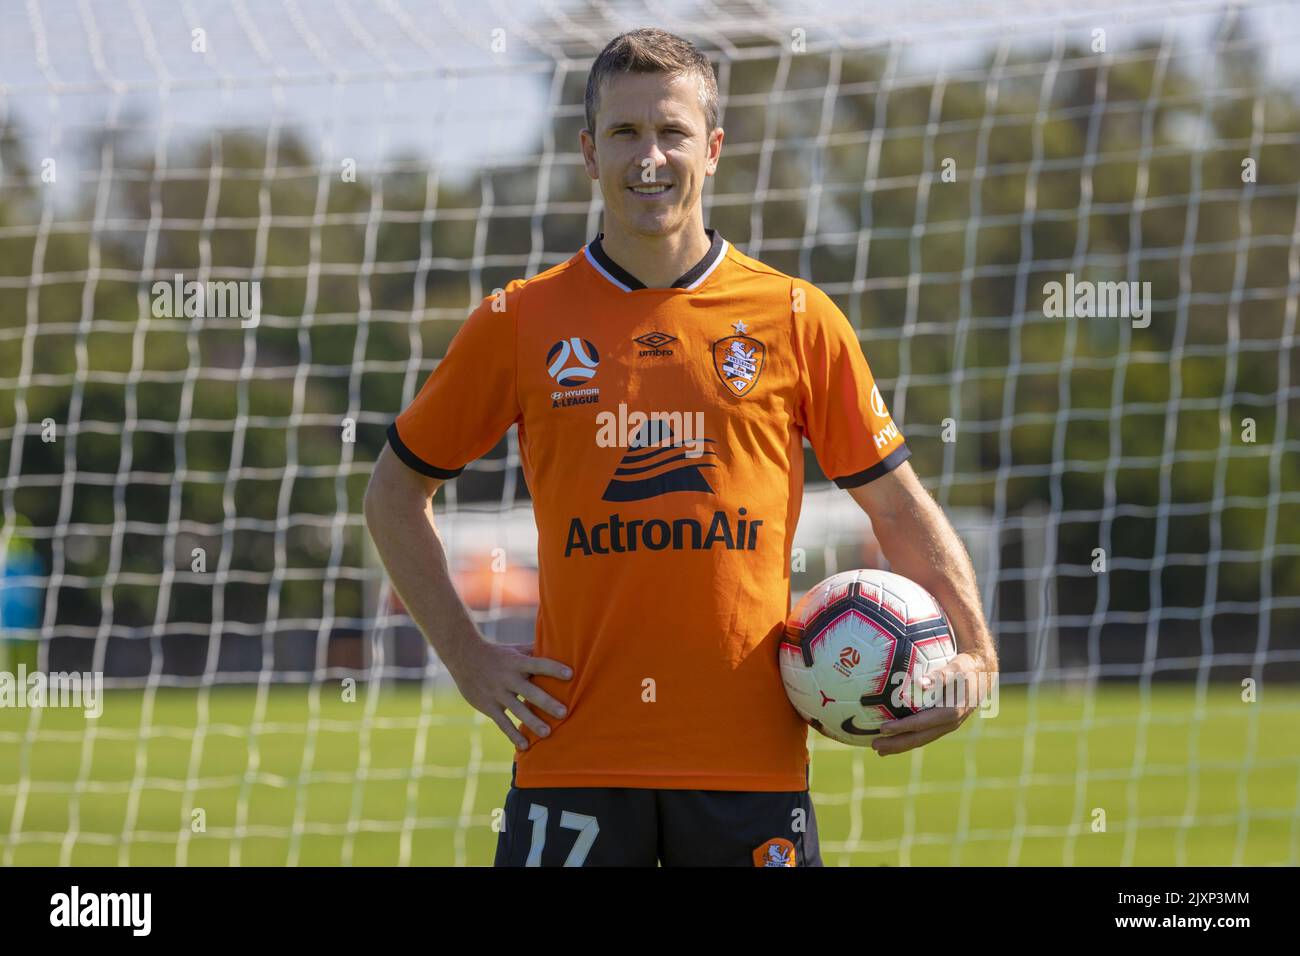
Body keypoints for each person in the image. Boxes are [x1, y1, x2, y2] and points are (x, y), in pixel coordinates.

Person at [364, 28, 998, 867]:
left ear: (714, 148)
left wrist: (977, 656)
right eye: (625, 133)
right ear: (590, 153)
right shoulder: (518, 324)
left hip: (750, 768)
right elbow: (393, 497)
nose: (649, 157)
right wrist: (468, 657)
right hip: (575, 758)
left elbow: (896, 505)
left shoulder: (798, 319)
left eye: (672, 132)